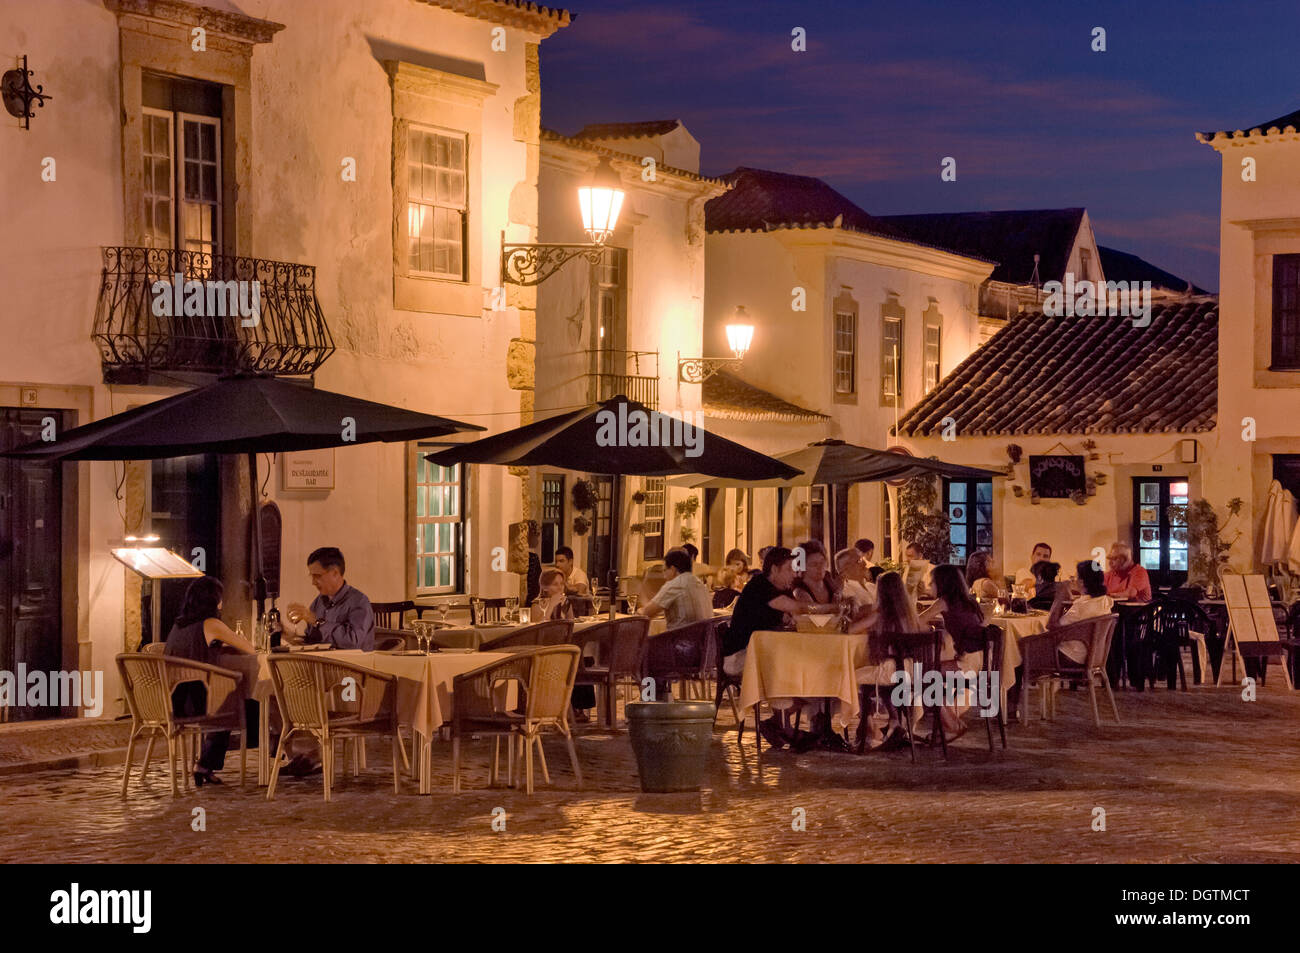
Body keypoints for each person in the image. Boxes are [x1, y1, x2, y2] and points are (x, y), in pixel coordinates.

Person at [164, 576, 256, 786]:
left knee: (227, 695)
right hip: (196, 703)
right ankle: (273, 748)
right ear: (214, 600)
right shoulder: (211, 623)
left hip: (173, 700)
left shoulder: (178, 626)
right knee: (240, 697)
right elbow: (249, 649)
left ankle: (206, 764)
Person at [720, 547, 808, 748]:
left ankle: (778, 724)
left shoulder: (781, 588)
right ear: (775, 569)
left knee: (806, 668)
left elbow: (795, 616)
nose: (794, 574)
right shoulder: (760, 586)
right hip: (739, 656)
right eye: (789, 569)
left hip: (763, 653)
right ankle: (783, 726)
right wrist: (830, 607)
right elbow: (797, 608)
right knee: (784, 668)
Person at [847, 570, 913, 751]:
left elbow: (850, 630)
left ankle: (867, 723)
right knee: (878, 681)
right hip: (908, 669)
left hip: (888, 670)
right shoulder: (909, 615)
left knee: (850, 677)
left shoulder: (879, 614)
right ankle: (894, 722)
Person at [284, 547, 374, 650]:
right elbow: (312, 643)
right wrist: (288, 635)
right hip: (323, 664)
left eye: (317, 576)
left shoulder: (359, 602)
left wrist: (316, 621)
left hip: (350, 665)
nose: (313, 582)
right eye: (312, 576)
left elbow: (352, 642)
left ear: (335, 573)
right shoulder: (319, 602)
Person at [1048, 560, 1115, 664]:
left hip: (1073, 658)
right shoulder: (1106, 601)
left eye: (1076, 578)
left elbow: (1051, 627)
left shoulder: (1081, 606)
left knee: (1027, 650)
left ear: (1082, 582)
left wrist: (1059, 598)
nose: (1073, 581)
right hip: (1095, 657)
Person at [642, 548, 713, 629]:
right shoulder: (701, 585)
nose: (664, 576)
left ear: (673, 569)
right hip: (704, 639)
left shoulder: (674, 584)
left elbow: (646, 612)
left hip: (681, 639)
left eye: (665, 570)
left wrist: (640, 611)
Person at [834, 548, 876, 613]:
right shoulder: (845, 592)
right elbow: (857, 614)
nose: (865, 563)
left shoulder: (872, 586)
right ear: (845, 571)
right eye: (859, 561)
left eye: (863, 559)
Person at [525, 523, 543, 606]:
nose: (538, 539)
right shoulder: (532, 558)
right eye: (537, 534)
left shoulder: (533, 557)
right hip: (529, 603)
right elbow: (536, 585)